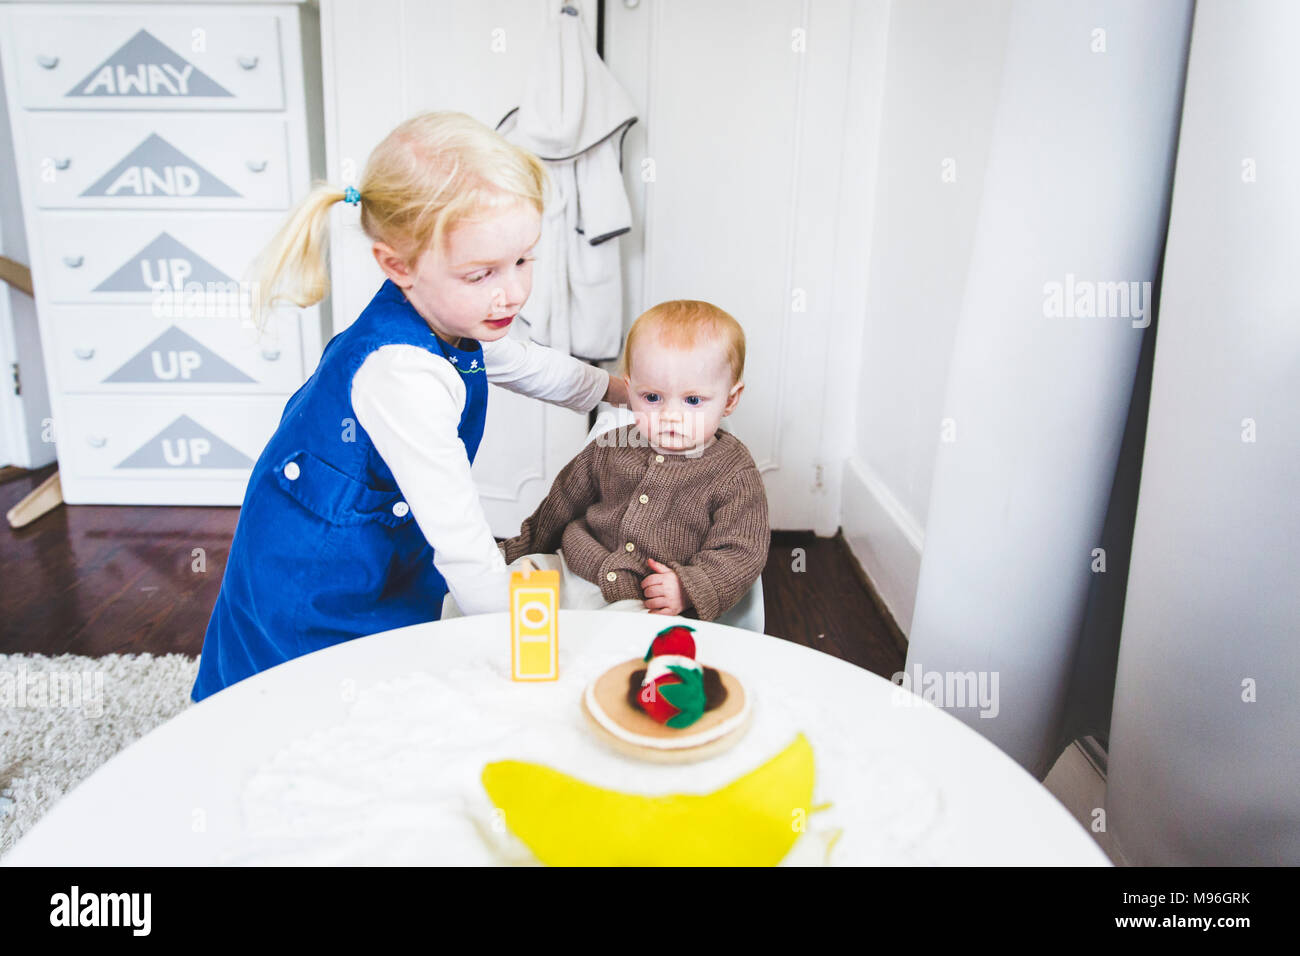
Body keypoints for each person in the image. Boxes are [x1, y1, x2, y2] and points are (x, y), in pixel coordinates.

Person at [191, 111, 628, 702]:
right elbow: (464, 544)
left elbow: (525, 363)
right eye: (482, 273)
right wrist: (534, 650)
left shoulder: (449, 313)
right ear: (398, 265)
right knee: (294, 691)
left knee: (393, 660)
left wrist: (619, 391)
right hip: (313, 567)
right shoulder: (403, 375)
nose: (514, 292)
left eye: (524, 260)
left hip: (375, 540)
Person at [443, 300, 769, 623]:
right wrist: (517, 552)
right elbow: (559, 507)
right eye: (652, 398)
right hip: (573, 568)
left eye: (693, 400)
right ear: (630, 390)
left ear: (730, 399)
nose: (671, 416)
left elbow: (741, 551)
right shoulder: (611, 447)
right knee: (477, 598)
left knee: (621, 645)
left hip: (644, 597)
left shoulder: (733, 473)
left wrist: (688, 588)